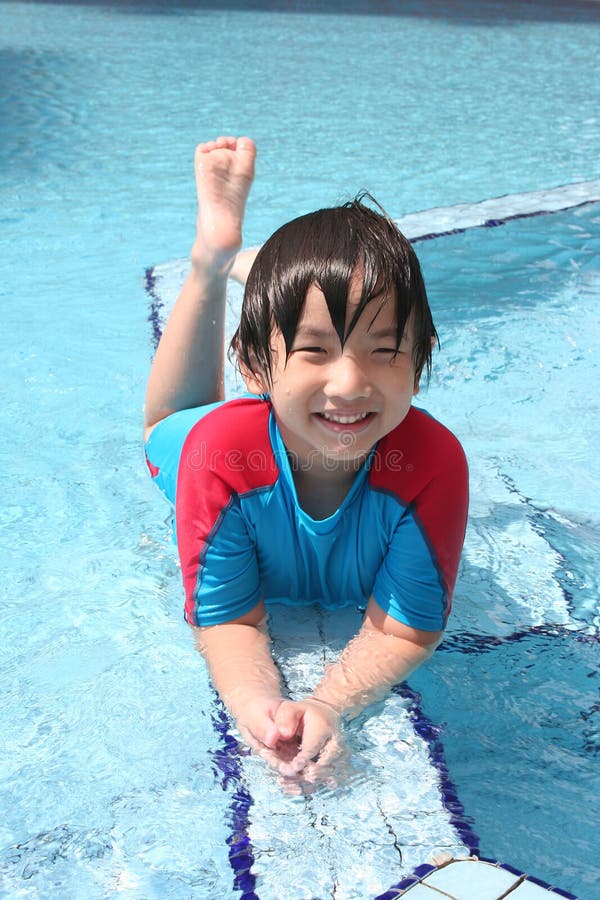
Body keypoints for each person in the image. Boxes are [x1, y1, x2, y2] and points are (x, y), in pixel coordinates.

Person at [144, 136, 468, 780]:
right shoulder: (218, 457)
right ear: (252, 364)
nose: (351, 385)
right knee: (166, 426)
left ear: (421, 359)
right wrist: (259, 705)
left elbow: (405, 631)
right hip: (221, 445)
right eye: (315, 350)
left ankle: (272, 287)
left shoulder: (434, 463)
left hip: (283, 425)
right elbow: (229, 617)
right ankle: (215, 258)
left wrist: (328, 705)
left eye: (384, 350)